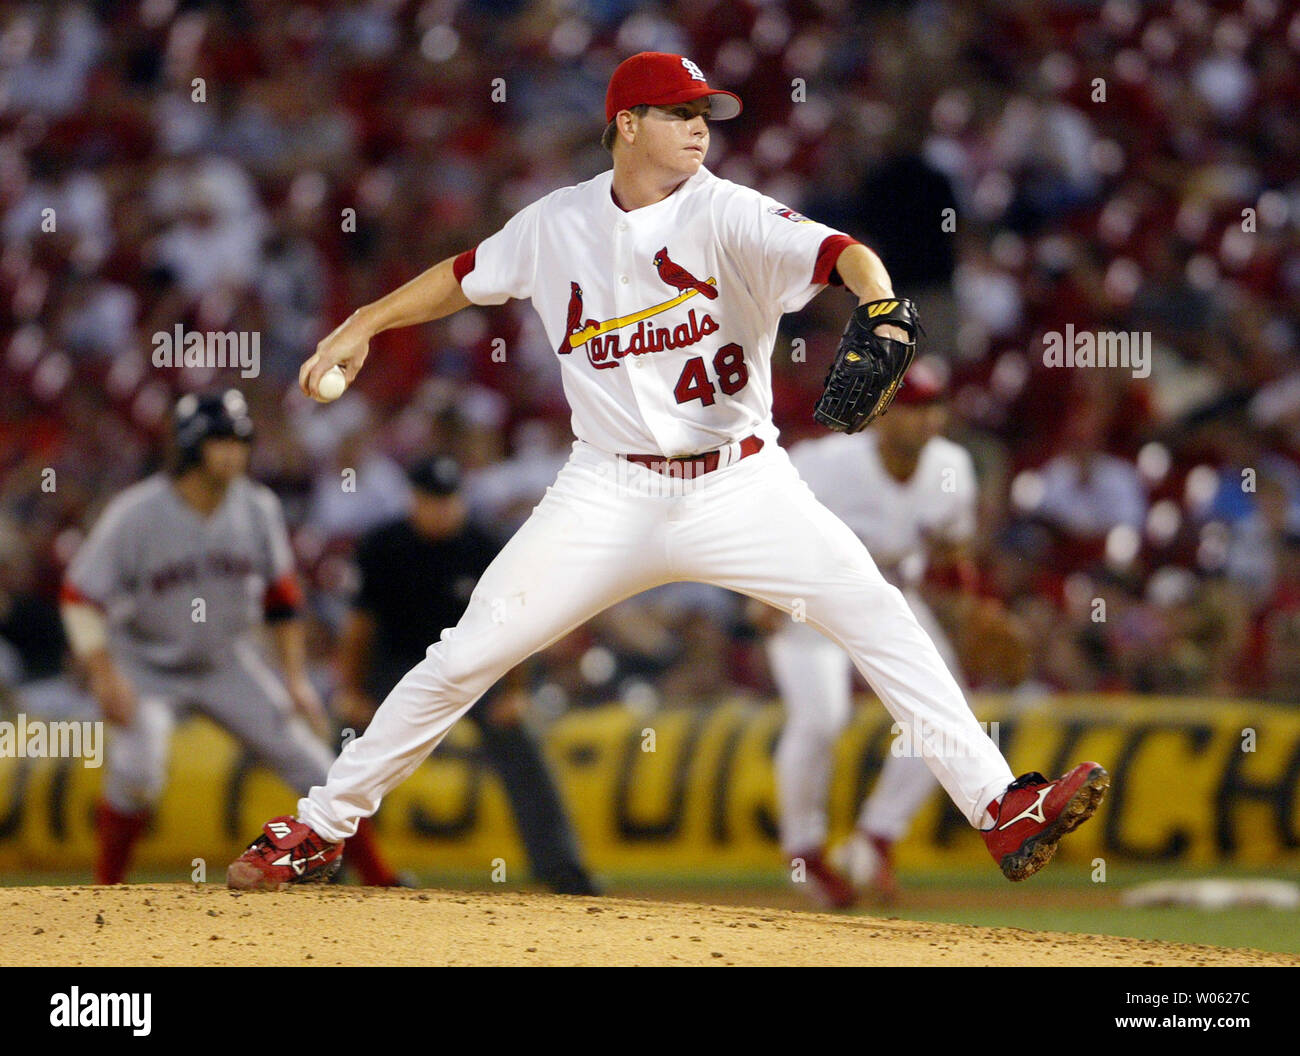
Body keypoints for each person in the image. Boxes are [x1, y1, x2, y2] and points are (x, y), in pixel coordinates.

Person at [228, 52, 1108, 891]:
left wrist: (881, 306)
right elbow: (463, 276)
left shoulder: (729, 212)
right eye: (681, 115)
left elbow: (844, 252)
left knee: (878, 614)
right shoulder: (555, 223)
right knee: (465, 655)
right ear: (626, 125)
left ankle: (1000, 805)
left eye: (706, 115)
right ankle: (321, 828)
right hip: (606, 490)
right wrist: (365, 325)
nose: (699, 130)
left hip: (740, 483)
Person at [61, 390, 400, 886]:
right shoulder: (137, 513)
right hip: (147, 666)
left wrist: (294, 678)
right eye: (219, 440)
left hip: (229, 662)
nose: (231, 452)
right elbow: (79, 595)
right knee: (138, 773)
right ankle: (104, 890)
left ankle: (380, 880)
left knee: (319, 766)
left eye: (239, 440)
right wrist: (105, 675)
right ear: (190, 448)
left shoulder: (258, 507)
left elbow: (282, 601)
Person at [761, 362, 1002, 907]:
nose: (922, 419)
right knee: (822, 718)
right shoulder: (828, 462)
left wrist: (972, 608)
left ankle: (874, 840)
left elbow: (950, 552)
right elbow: (762, 510)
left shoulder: (952, 468)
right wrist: (761, 591)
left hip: (891, 596)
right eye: (910, 406)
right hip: (811, 593)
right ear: (881, 413)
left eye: (931, 407)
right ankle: (805, 852)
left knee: (947, 711)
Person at [336, 454, 598, 894]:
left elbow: (516, 623)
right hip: (398, 667)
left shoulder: (484, 545)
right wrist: (350, 690)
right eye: (432, 500)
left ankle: (563, 868)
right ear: (413, 500)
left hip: (474, 664)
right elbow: (359, 629)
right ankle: (335, 857)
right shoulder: (385, 546)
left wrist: (516, 692)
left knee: (521, 739)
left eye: (449, 499)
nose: (441, 509)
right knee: (350, 741)